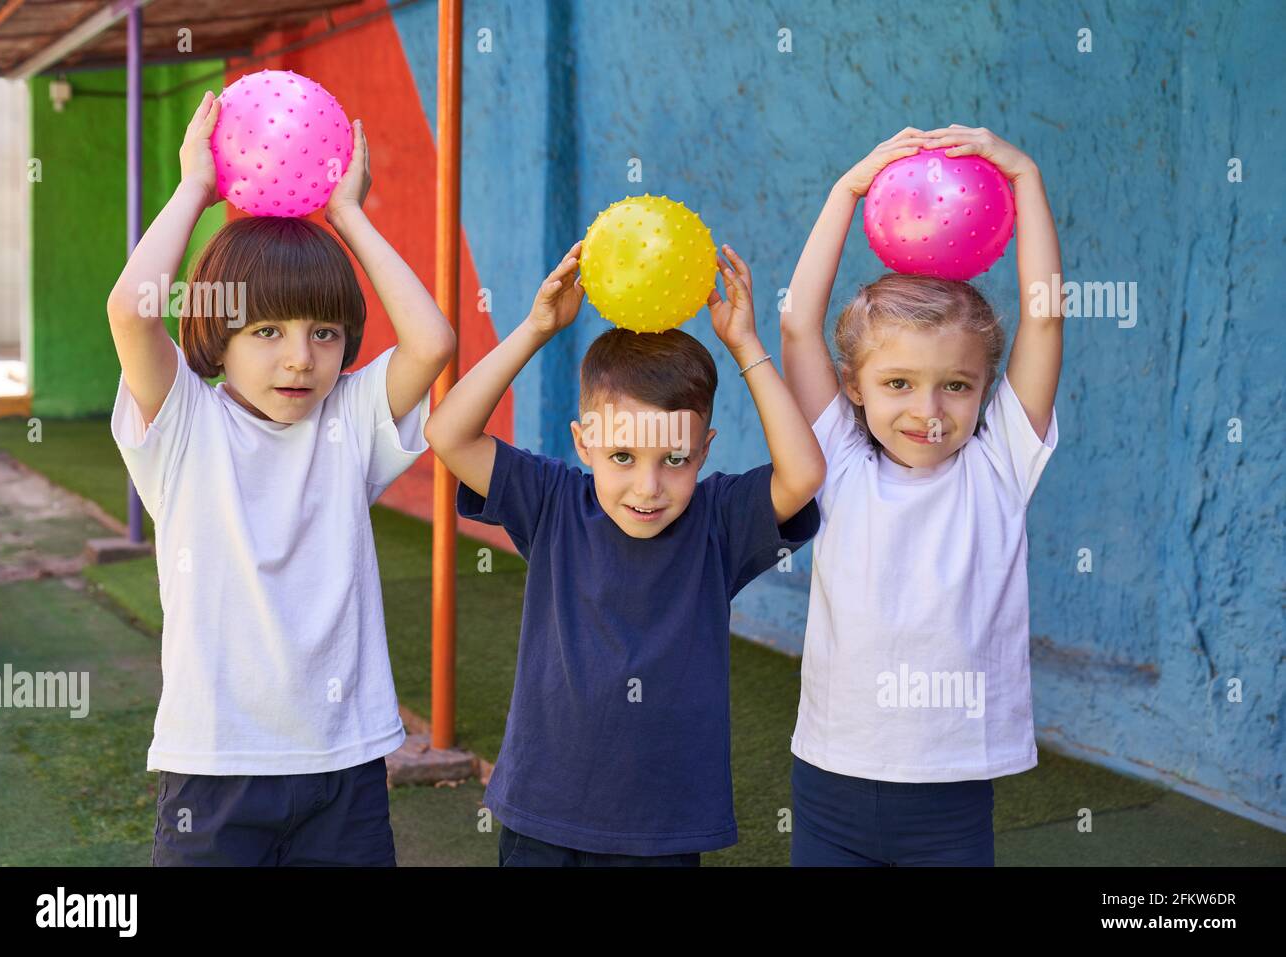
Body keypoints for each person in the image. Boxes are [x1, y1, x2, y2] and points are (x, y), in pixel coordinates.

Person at [106, 90, 455, 865]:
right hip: (215, 772)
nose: (300, 358)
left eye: (323, 333)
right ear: (217, 338)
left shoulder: (349, 419)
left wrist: (351, 216)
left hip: (345, 768)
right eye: (267, 332)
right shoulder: (185, 424)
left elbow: (431, 342)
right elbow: (131, 314)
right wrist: (195, 185)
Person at [424, 241, 825, 865]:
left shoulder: (718, 522)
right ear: (584, 443)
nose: (647, 486)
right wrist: (536, 329)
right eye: (622, 457)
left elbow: (801, 475)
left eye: (674, 459)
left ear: (704, 449)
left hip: (662, 831)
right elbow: (447, 433)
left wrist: (746, 347)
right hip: (542, 813)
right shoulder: (553, 501)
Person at [780, 125, 1064, 866]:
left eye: (957, 385)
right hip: (830, 783)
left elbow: (1044, 316)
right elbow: (796, 325)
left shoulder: (1000, 463)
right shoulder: (837, 459)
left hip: (952, 793)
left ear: (985, 389)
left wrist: (1023, 175)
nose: (927, 410)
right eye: (898, 384)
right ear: (854, 387)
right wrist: (849, 188)